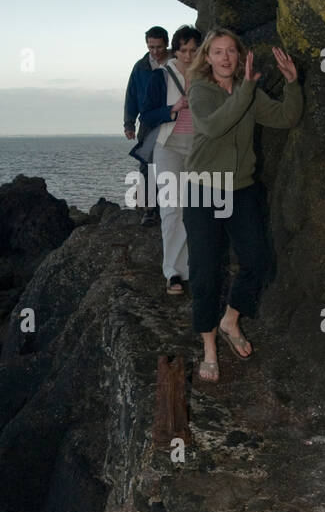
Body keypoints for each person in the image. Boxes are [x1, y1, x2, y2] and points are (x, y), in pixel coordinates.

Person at [182, 27, 302, 383]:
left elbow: (286, 118)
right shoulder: (201, 91)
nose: (225, 58)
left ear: (240, 56)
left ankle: (230, 320)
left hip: (241, 189)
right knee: (205, 271)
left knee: (259, 261)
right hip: (204, 191)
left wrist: (293, 83)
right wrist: (248, 89)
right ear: (207, 58)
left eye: (230, 51)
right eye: (217, 52)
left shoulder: (249, 90)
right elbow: (215, 126)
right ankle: (208, 347)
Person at [140, 26, 202, 295]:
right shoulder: (161, 76)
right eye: (183, 50)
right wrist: (172, 109)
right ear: (174, 50)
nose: (188, 56)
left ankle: (191, 267)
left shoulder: (207, 76)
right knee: (170, 208)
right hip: (169, 147)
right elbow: (147, 115)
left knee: (195, 208)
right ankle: (173, 273)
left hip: (199, 149)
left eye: (193, 50)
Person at [124, 27, 169, 225]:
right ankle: (150, 209)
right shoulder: (140, 67)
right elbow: (131, 95)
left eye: (159, 47)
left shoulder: (177, 63)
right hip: (148, 122)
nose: (155, 51)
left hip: (173, 119)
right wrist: (129, 123)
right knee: (146, 165)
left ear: (166, 44)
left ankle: (175, 206)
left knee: (174, 163)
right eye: (151, 47)